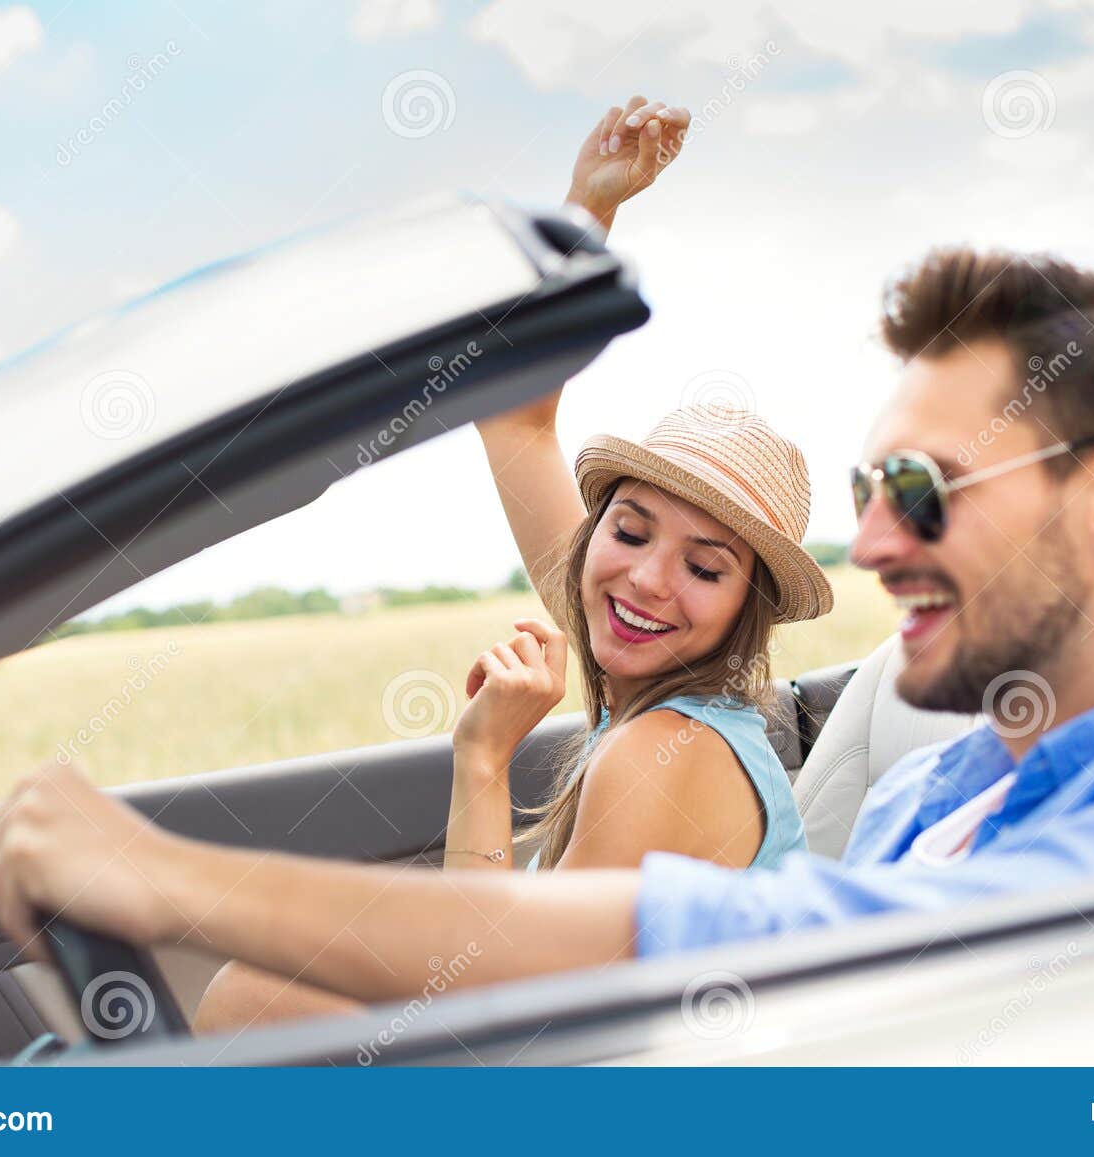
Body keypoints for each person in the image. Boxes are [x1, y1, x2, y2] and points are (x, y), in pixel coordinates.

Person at [0, 207, 1094, 1018]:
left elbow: (740, 955)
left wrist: (171, 878)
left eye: (926, 490)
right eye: (877, 488)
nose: (875, 543)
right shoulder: (948, 776)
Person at [138, 95, 833, 1031]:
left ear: (747, 605)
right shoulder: (642, 652)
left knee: (255, 1000)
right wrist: (590, 207)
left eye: (706, 568)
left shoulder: (662, 752)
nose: (647, 580)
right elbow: (514, 416)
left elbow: (511, 1007)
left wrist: (480, 758)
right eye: (630, 531)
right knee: (266, 989)